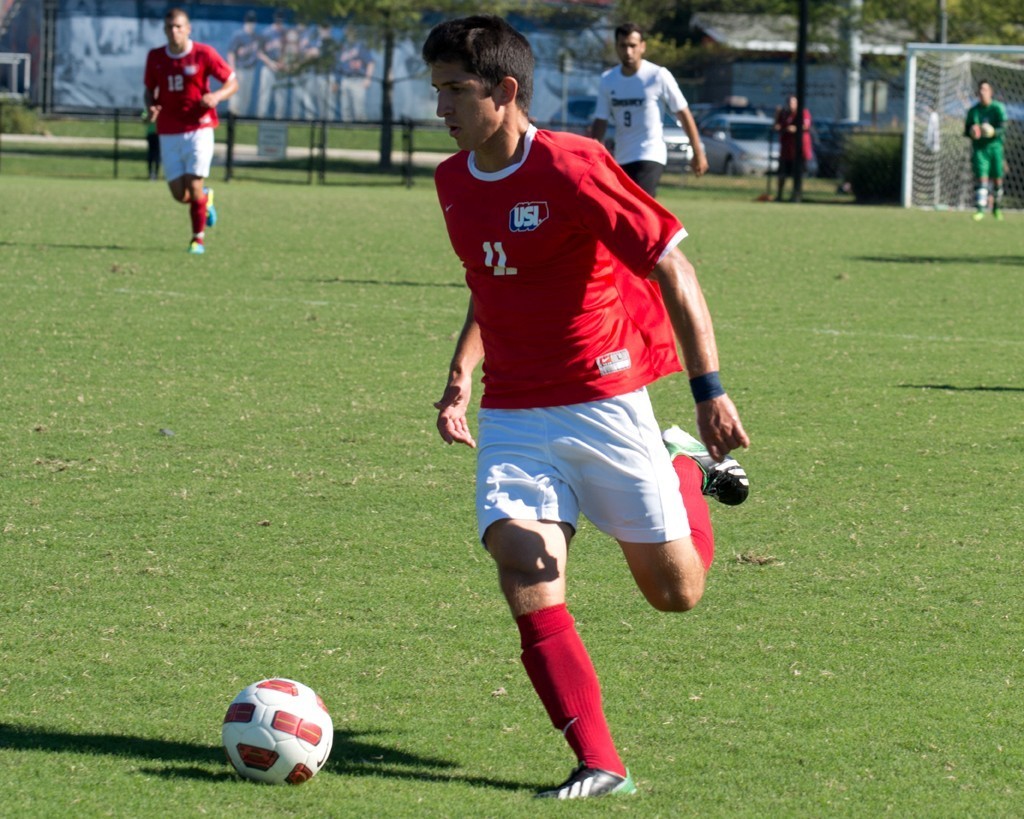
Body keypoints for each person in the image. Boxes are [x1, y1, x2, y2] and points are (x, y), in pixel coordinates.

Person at [422, 15, 750, 800]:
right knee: (524, 567)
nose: (442, 109)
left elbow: (675, 269)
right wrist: (462, 370)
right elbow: (489, 279)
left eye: (455, 91)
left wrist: (709, 390)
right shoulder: (452, 181)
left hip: (606, 403)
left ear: (505, 91)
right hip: (515, 415)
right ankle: (600, 763)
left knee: (677, 592)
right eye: (435, 91)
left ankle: (680, 464)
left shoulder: (574, 166)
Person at [143, 8, 237, 255]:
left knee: (194, 185)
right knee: (179, 194)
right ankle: (205, 199)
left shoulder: (203, 54)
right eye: (169, 27)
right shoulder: (155, 57)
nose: (173, 31)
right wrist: (150, 107)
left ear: (188, 29)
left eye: (178, 27)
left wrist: (216, 96)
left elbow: (232, 81)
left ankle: (198, 239)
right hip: (168, 130)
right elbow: (149, 90)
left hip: (200, 128)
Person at [589, 22, 707, 197]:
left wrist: (698, 152)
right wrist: (591, 157)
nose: (628, 51)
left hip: (650, 153)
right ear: (616, 47)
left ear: (642, 47)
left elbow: (683, 112)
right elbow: (600, 120)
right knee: (627, 211)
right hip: (621, 157)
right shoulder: (608, 80)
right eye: (623, 46)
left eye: (633, 45)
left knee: (640, 207)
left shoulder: (658, 75)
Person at [964, 80, 1007, 221]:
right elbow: (967, 130)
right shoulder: (973, 111)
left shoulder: (997, 108)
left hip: (995, 148)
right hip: (980, 149)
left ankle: (996, 208)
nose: (983, 92)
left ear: (991, 92)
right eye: (981, 89)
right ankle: (980, 210)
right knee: (982, 178)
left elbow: (1003, 127)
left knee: (997, 180)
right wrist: (972, 131)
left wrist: (993, 131)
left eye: (985, 89)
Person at [773, 94, 812, 202]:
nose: (790, 105)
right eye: (789, 102)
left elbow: (805, 126)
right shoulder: (784, 114)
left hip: (799, 150)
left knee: (797, 174)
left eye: (793, 103)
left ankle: (796, 195)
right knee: (782, 174)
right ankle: (779, 196)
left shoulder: (803, 113)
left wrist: (795, 128)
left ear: (797, 104)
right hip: (786, 150)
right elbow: (777, 126)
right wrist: (776, 115)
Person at [334, 27, 376, 121]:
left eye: (351, 32)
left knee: (359, 109)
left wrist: (368, 79)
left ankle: (362, 130)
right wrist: (337, 81)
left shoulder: (360, 47)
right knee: (345, 108)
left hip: (358, 80)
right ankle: (346, 131)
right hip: (345, 79)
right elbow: (338, 65)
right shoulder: (342, 47)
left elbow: (371, 63)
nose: (349, 34)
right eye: (347, 32)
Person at [227, 11, 262, 118]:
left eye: (252, 22)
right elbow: (231, 53)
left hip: (250, 70)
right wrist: (233, 69)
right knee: (236, 94)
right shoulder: (239, 35)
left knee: (246, 95)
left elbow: (259, 52)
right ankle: (232, 117)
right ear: (245, 22)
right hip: (239, 69)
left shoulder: (256, 36)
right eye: (249, 22)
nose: (251, 24)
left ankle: (242, 118)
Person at [141, 107, 160, 180]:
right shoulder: (147, 109)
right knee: (150, 154)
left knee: (157, 155)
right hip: (150, 134)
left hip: (159, 134)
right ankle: (150, 174)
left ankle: (156, 174)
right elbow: (144, 120)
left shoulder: (160, 109)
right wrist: (151, 115)